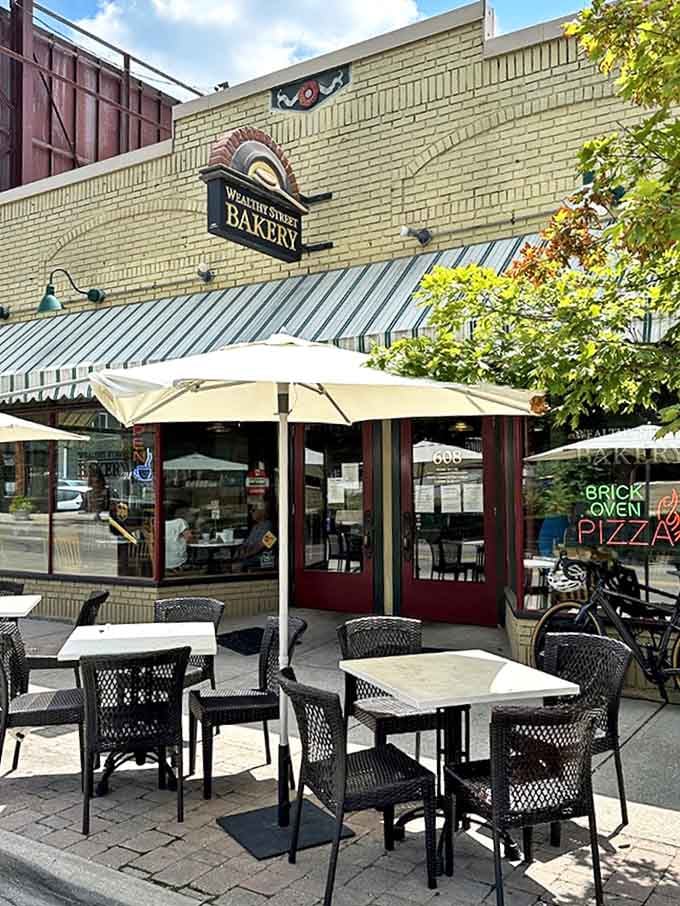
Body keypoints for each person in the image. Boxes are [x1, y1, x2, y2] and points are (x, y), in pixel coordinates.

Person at [165, 504, 193, 570]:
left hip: (162, 561)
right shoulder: (180, 522)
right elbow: (189, 537)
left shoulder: (160, 523)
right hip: (178, 560)